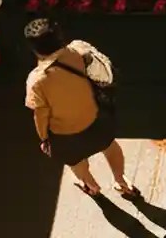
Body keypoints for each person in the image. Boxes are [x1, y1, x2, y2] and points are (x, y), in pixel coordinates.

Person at [23, 17, 139, 200]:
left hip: (66, 136)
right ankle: (121, 180)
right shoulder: (79, 49)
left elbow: (40, 114)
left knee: (76, 163)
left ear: (35, 49)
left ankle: (91, 186)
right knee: (110, 146)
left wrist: (44, 138)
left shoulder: (37, 81)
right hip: (97, 120)